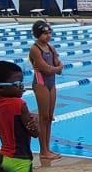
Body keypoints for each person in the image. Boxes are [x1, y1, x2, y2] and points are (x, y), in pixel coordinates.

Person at [27, 20, 65, 163]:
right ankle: (43, 151)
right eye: (45, 33)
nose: (48, 36)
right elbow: (48, 69)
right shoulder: (35, 49)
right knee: (43, 117)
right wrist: (56, 68)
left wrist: (55, 68)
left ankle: (47, 149)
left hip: (51, 83)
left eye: (49, 33)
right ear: (37, 34)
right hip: (41, 83)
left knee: (49, 117)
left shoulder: (51, 48)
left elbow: (57, 67)